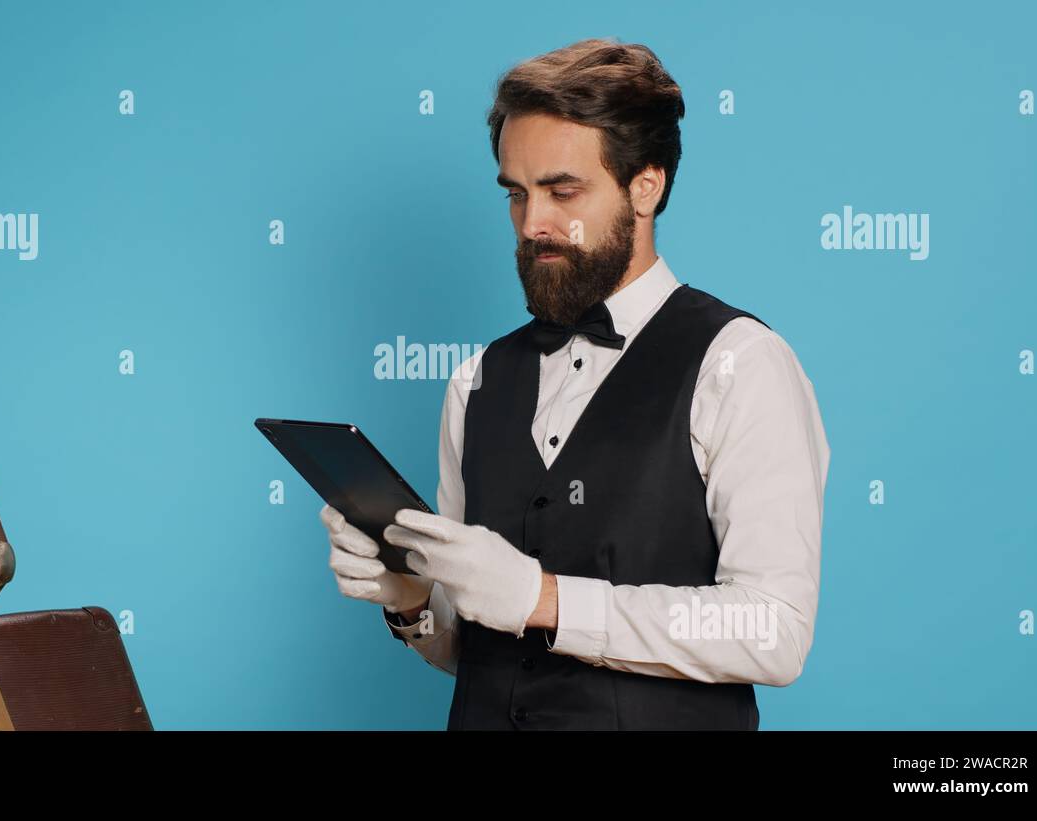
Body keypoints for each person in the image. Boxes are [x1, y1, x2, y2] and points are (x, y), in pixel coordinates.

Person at [321, 37, 829, 730]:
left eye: (564, 191)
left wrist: (545, 598)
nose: (533, 225)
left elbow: (774, 632)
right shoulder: (476, 382)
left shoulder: (738, 364)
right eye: (517, 195)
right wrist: (412, 598)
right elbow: (473, 647)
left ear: (645, 185)